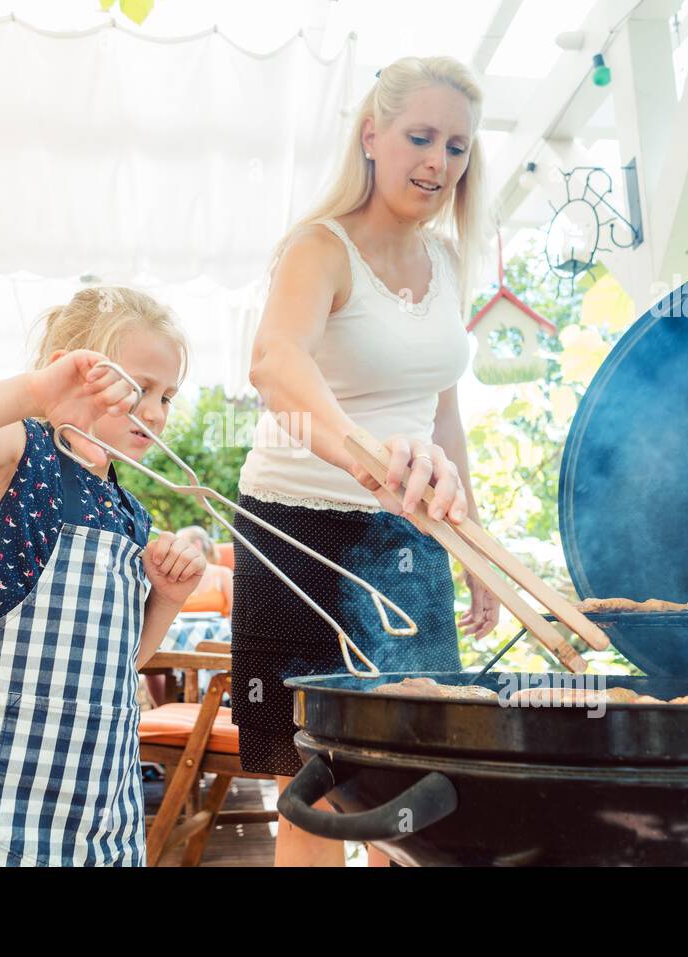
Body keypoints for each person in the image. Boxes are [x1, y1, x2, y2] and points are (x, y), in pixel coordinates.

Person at [233, 55, 502, 866]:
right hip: (294, 533)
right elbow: (276, 363)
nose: (437, 162)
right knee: (315, 782)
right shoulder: (320, 248)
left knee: (419, 775)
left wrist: (476, 545)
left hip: (410, 539)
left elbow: (442, 411)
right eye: (421, 137)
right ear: (372, 136)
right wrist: (366, 456)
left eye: (457, 147)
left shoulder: (449, 264)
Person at [0, 286, 208, 866]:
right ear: (74, 374)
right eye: (138, 387)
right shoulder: (22, 453)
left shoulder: (129, 511)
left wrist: (168, 599)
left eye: (167, 396)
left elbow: (124, 659)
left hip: (101, 790)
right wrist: (32, 394)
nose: (154, 411)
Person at [176, 525, 234, 616]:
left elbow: (236, 614)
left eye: (181, 545)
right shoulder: (177, 577)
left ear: (197, 544)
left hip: (220, 629)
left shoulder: (224, 574)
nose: (176, 551)